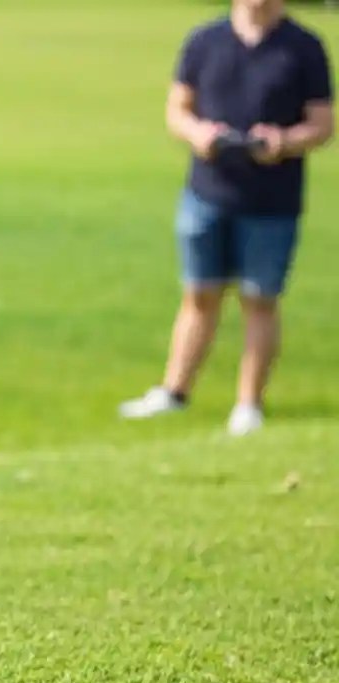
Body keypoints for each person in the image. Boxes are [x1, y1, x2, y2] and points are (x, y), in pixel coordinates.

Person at [120, 0, 333, 436]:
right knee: (199, 294)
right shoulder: (205, 40)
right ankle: (174, 391)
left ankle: (248, 405)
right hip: (207, 191)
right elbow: (178, 109)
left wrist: (283, 141)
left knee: (259, 300)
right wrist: (199, 134)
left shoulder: (304, 48)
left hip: (272, 199)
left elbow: (323, 124)